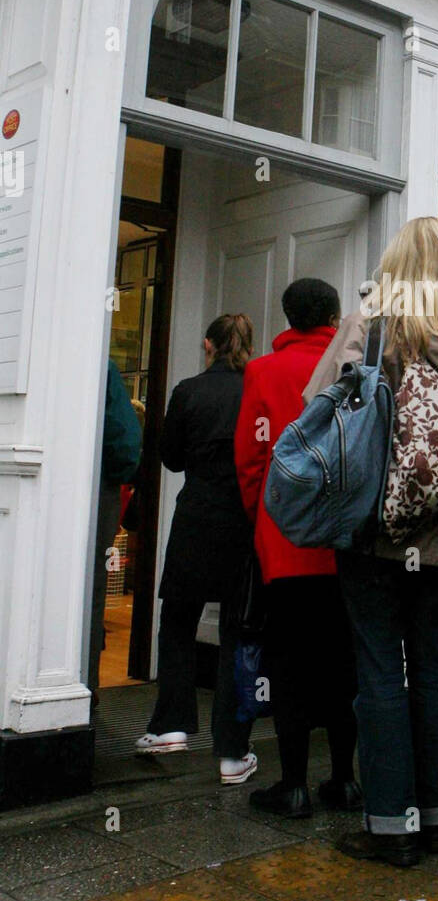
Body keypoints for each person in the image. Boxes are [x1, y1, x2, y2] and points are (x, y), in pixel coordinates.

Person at [304, 217, 438, 868]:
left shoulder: (373, 321)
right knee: (437, 672)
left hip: (373, 530)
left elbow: (318, 401)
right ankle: (437, 817)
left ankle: (391, 826)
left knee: (381, 670)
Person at [234, 277, 361, 819]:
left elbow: (251, 458)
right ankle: (344, 779)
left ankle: (292, 784)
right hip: (345, 540)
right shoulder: (353, 370)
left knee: (287, 660)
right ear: (335, 315)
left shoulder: (262, 371)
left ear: (288, 318)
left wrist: (263, 520)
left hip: (284, 541)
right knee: (343, 659)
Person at [136, 314, 257, 787]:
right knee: (236, 631)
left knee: (178, 622)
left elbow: (169, 457)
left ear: (208, 344)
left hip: (196, 516)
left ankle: (170, 725)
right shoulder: (256, 387)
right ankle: (232, 753)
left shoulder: (187, 390)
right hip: (243, 521)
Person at [89, 360, 143, 696]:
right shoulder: (99, 365)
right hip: (96, 488)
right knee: (90, 588)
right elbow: (123, 439)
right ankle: (86, 686)